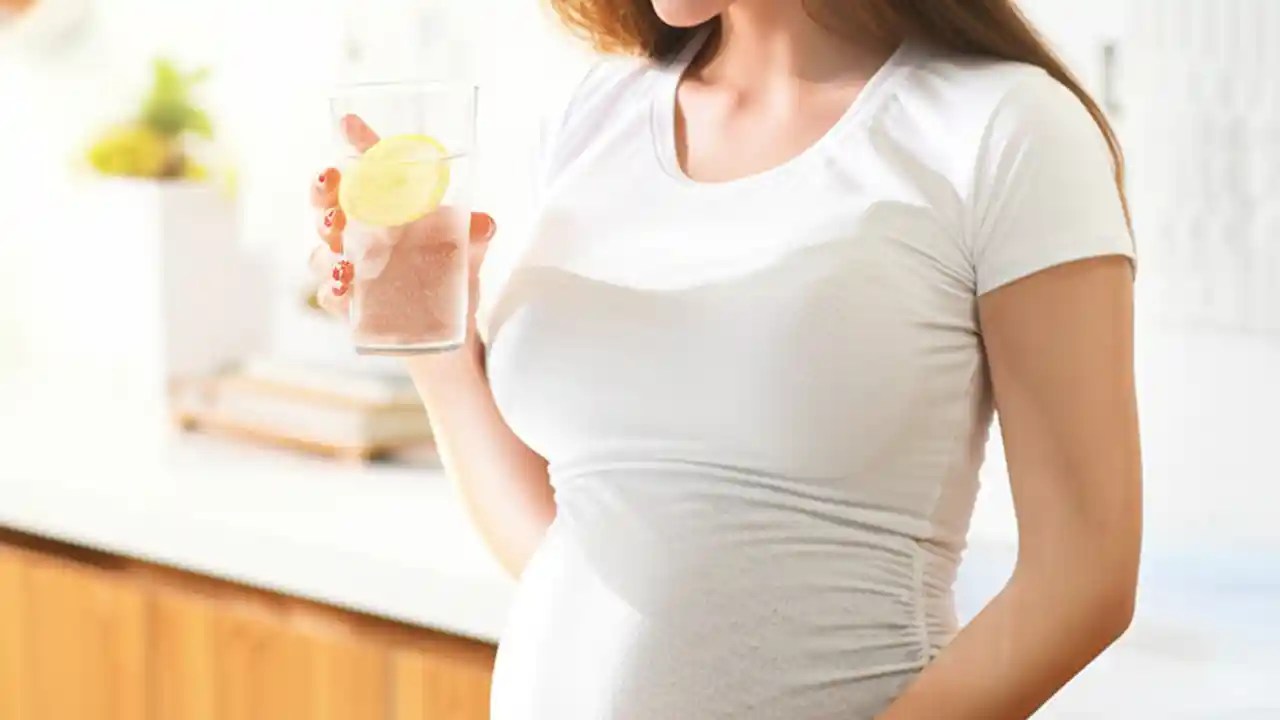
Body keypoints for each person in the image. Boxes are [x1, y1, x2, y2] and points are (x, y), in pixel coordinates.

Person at [308, 0, 1142, 717]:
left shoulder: (1003, 129)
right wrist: (432, 337)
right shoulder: (596, 113)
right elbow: (583, 544)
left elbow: (1085, 574)